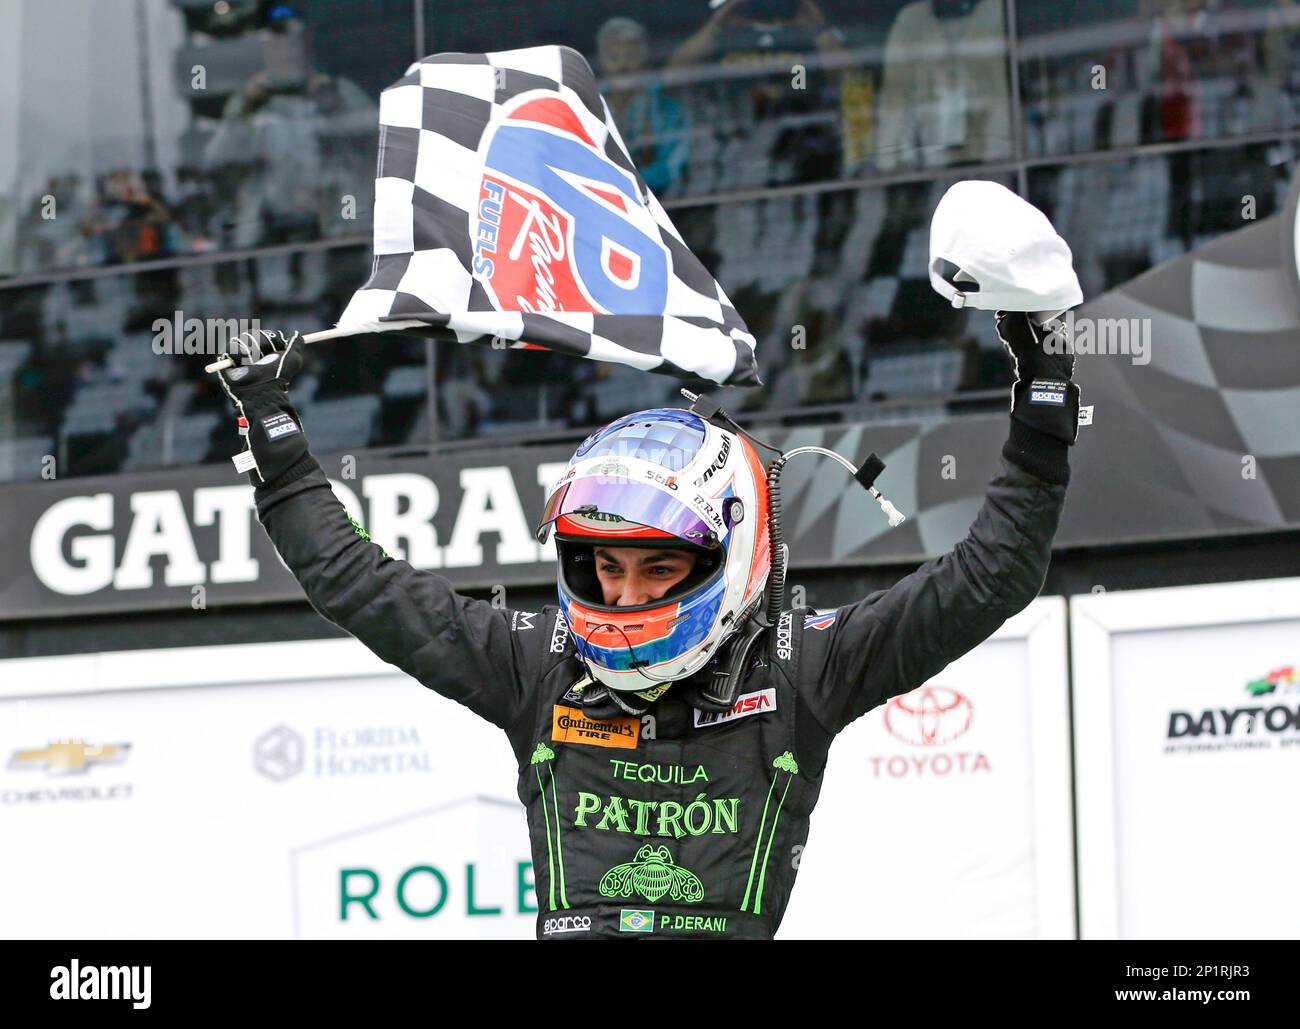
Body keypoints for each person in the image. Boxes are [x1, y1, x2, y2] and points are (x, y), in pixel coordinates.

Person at [211, 285, 1077, 939]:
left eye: (658, 568)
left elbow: (989, 577)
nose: (624, 595)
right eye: (604, 567)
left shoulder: (800, 664)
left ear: (727, 558)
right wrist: (276, 440)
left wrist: (1042, 400)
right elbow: (356, 581)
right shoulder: (537, 661)